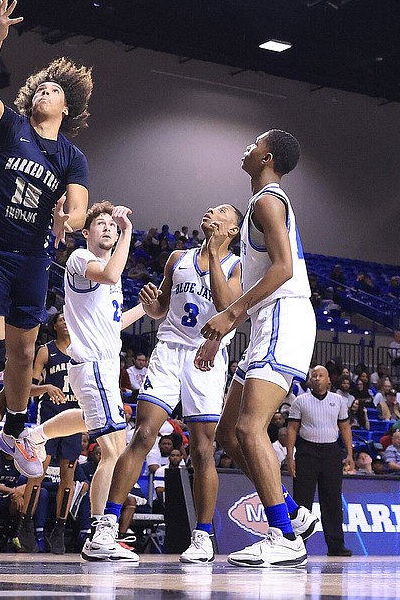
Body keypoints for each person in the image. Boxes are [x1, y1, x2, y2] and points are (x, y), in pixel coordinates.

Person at [0, 0, 92, 489]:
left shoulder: (71, 157)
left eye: (54, 90)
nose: (45, 92)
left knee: (21, 353)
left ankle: (14, 429)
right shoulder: (10, 127)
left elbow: (78, 206)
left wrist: (69, 217)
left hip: (33, 257)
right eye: (41, 88)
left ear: (66, 106)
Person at [196, 129, 314, 568]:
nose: (247, 146)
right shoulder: (254, 211)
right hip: (266, 321)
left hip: (285, 316)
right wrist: (213, 256)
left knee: (251, 428)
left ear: (266, 155)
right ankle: (293, 514)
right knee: (229, 432)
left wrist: (230, 318)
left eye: (255, 142)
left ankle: (284, 536)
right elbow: (231, 303)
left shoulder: (268, 200)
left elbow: (283, 269)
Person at [103, 202, 243, 564]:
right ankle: (106, 526)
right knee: (144, 433)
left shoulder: (235, 264)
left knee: (201, 449)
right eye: (211, 207)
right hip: (169, 349)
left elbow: (228, 307)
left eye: (222, 211)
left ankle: (202, 537)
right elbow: (162, 307)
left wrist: (213, 255)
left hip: (207, 355)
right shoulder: (177, 257)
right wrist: (152, 308)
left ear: (232, 230)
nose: (211, 210)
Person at [7, 201, 142, 561]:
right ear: (86, 232)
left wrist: (148, 307)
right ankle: (101, 534)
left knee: (87, 418)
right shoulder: (82, 258)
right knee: (113, 450)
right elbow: (113, 274)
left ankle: (34, 436)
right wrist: (128, 230)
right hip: (94, 365)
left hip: (105, 365)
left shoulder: (104, 275)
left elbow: (113, 323)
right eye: (102, 225)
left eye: (114, 227)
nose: (110, 229)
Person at [19, 312, 82, 554]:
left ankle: (59, 529)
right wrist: (46, 386)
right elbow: (28, 388)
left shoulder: (82, 350)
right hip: (48, 418)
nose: (66, 322)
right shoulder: (46, 351)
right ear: (54, 326)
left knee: (69, 476)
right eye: (61, 319)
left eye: (69, 318)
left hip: (74, 420)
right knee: (39, 472)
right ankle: (25, 522)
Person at [285, 365, 354, 557]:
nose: (316, 378)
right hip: (307, 452)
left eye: (320, 375)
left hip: (331, 452)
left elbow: (345, 428)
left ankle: (336, 546)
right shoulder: (300, 401)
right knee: (302, 501)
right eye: (313, 375)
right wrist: (290, 456)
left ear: (329, 380)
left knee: (332, 501)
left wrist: (350, 454)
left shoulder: (338, 401)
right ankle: (298, 545)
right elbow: (292, 429)